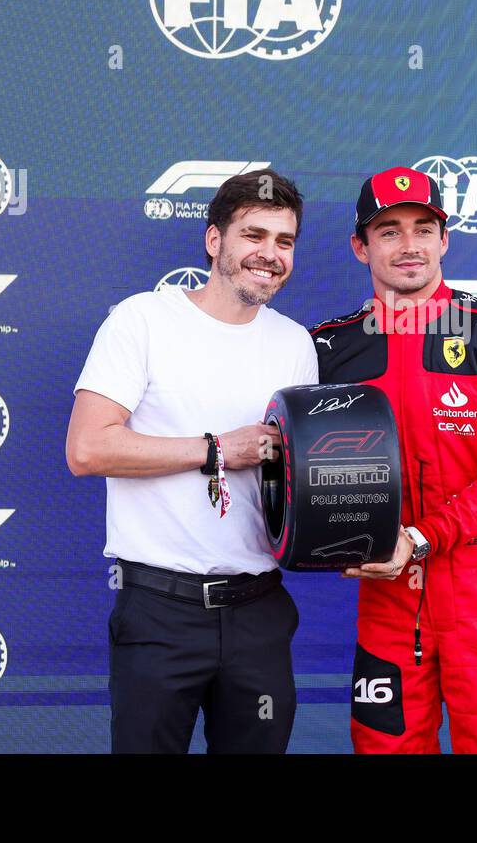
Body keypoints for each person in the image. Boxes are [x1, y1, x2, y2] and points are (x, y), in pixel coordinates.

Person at [66, 169, 317, 753]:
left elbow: (297, 484)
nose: (270, 255)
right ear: (214, 240)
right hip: (160, 614)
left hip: (260, 611)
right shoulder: (142, 321)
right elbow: (88, 448)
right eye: (254, 236)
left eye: (284, 242)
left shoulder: (294, 343)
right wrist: (214, 450)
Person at [311, 166, 477, 753]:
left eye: (424, 228)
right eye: (389, 231)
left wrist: (420, 539)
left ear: (445, 239)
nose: (410, 245)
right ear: (360, 246)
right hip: (387, 600)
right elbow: (292, 466)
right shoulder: (326, 347)